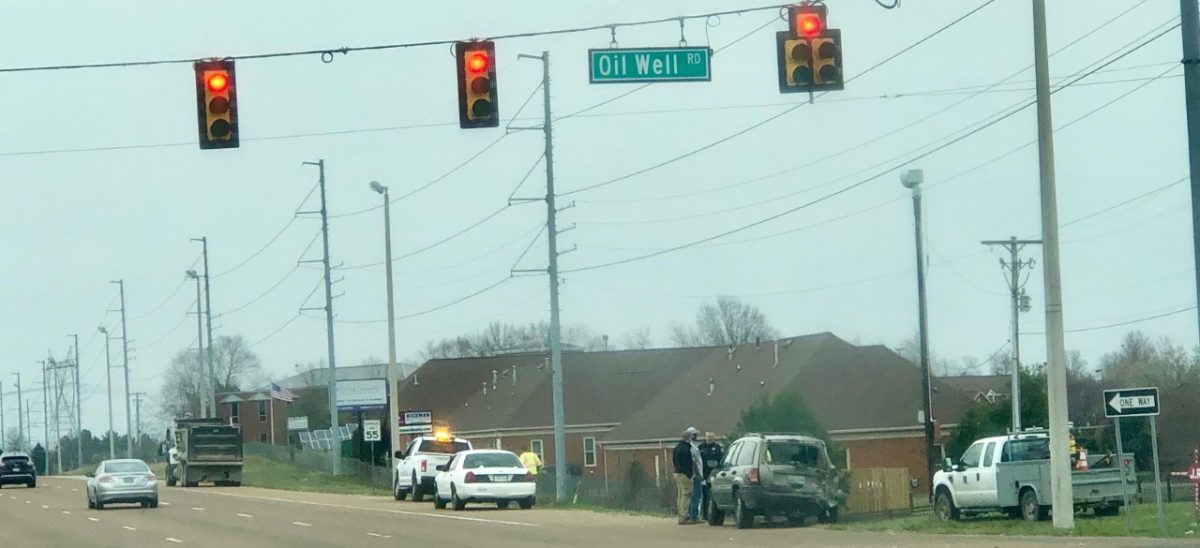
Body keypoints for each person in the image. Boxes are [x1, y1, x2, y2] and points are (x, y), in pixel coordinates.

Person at [672, 429, 699, 525]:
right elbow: (690, 462)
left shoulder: (676, 448)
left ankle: (680, 515)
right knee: (686, 495)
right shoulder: (687, 449)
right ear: (689, 438)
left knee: (680, 495)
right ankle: (683, 516)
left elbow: (674, 461)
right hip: (684, 474)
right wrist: (691, 474)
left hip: (677, 473)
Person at [698, 432, 724, 520]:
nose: (709, 438)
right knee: (704, 496)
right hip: (703, 475)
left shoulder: (718, 448)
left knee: (712, 495)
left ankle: (713, 514)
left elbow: (721, 460)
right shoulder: (700, 448)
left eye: (711, 437)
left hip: (714, 475)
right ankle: (704, 515)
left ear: (714, 438)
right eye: (708, 437)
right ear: (705, 437)